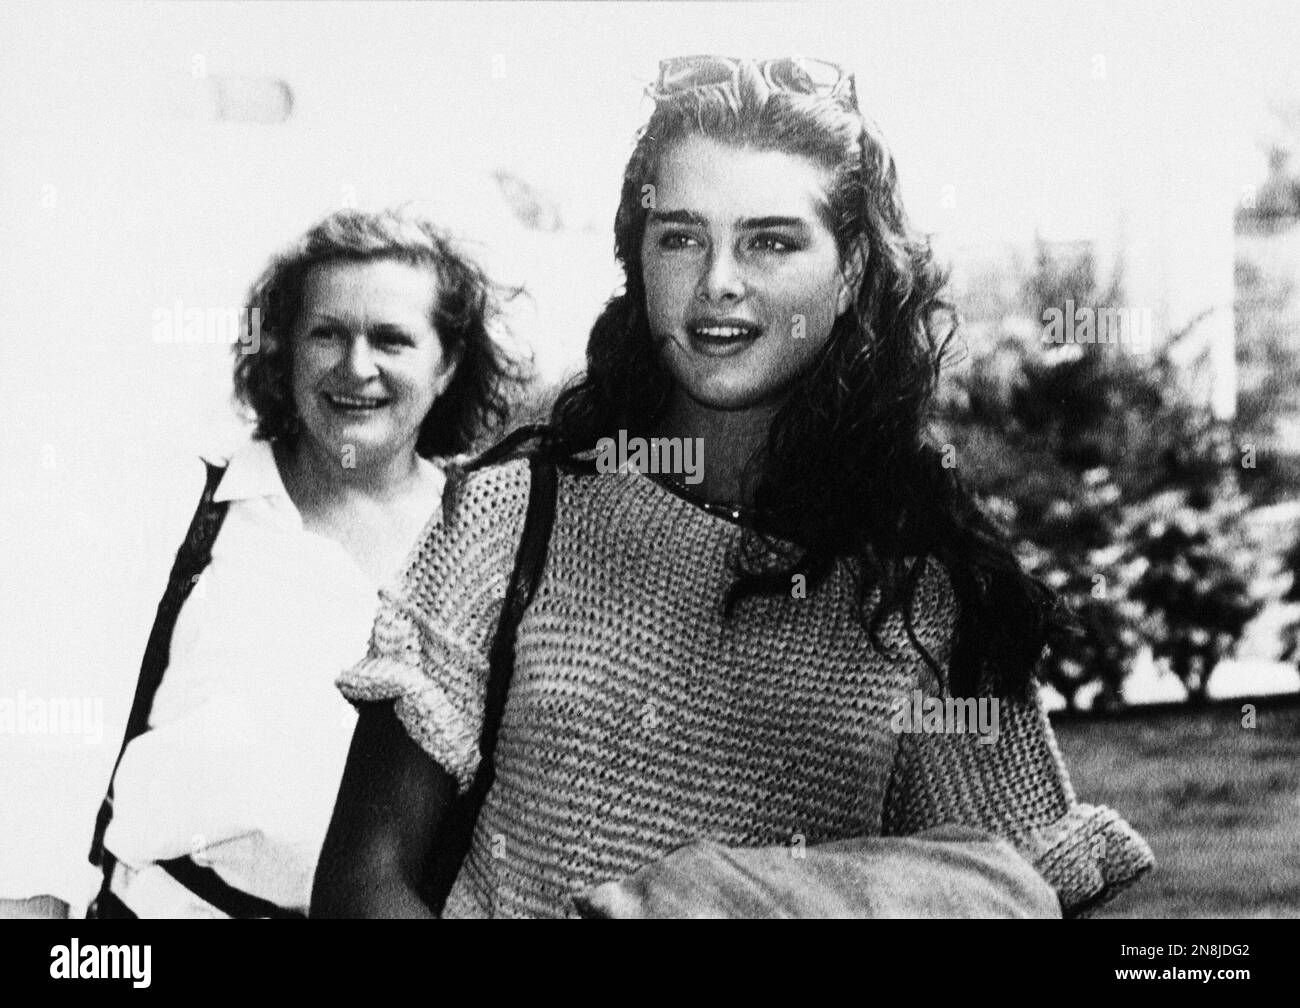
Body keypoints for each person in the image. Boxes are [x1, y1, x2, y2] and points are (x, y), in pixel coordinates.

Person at [312, 57, 1154, 919]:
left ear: (851, 271)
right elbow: (360, 884)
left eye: (770, 241)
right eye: (680, 237)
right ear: (639, 261)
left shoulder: (921, 591)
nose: (717, 280)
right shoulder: (515, 517)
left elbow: (1016, 886)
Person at [84, 208, 523, 918]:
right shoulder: (193, 511)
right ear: (284, 350)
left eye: (391, 339)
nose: (357, 367)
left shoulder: (489, 541)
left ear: (446, 365)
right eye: (328, 334)